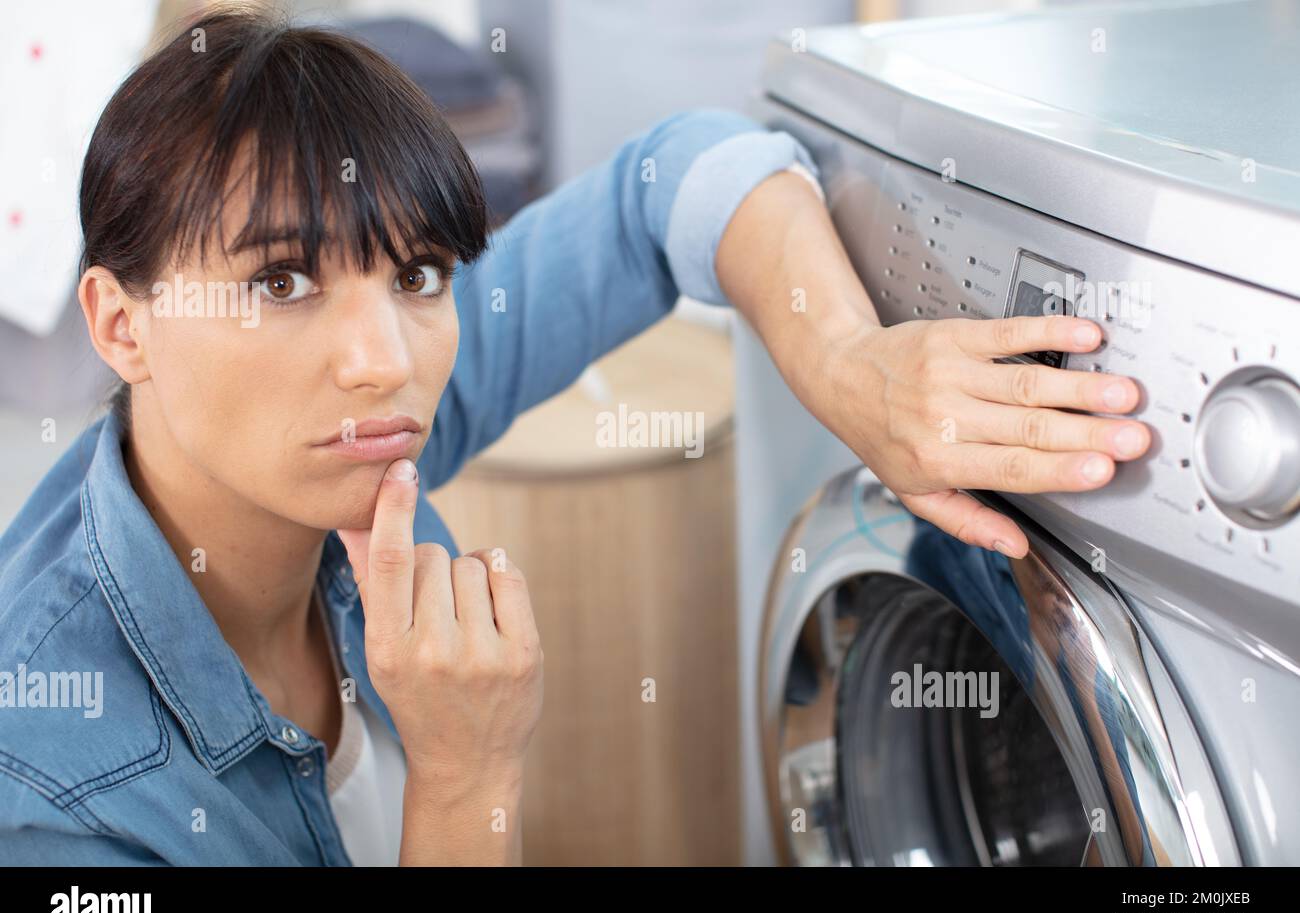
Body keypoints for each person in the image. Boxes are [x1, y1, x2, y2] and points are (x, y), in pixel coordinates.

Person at [0, 10, 1149, 865]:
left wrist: (848, 366)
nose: (384, 356)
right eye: (283, 278)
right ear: (121, 325)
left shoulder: (349, 425)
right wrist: (465, 774)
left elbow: (670, 176)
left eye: (418, 271)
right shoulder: (52, 790)